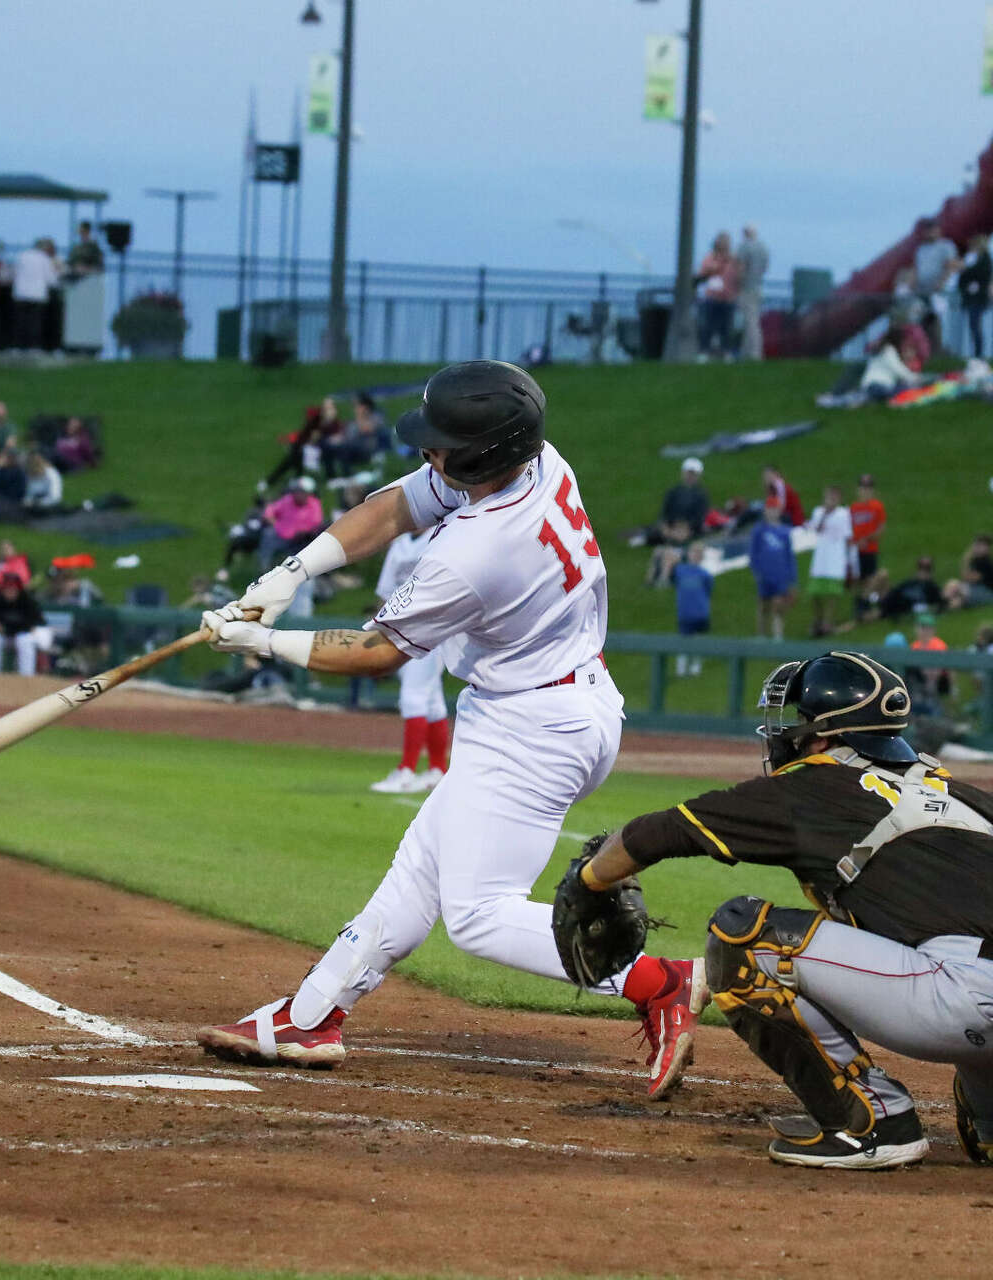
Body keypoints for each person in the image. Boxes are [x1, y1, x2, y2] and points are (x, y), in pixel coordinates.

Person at [194, 360, 705, 1099]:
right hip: (556, 703)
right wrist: (292, 572)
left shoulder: (476, 549)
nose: (427, 451)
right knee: (420, 866)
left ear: (481, 453)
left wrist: (262, 641)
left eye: (441, 444)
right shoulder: (536, 460)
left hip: (534, 726)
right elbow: (396, 506)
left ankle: (660, 983)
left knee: (479, 917)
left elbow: (376, 652)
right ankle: (311, 1015)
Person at [561, 652, 993, 1180]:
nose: (784, 731)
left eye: (796, 720)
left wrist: (590, 882)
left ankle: (870, 1124)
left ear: (824, 733)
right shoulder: (966, 793)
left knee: (742, 934)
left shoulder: (810, 787)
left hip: (962, 996)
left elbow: (661, 832)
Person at [369, 529, 452, 793]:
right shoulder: (400, 543)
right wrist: (379, 631)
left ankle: (406, 770)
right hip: (400, 628)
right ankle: (437, 769)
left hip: (431, 627)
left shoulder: (441, 536)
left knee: (413, 696)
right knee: (432, 701)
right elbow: (385, 592)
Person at [644, 457, 709, 587]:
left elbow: (698, 520)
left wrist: (684, 531)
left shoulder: (701, 495)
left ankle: (663, 580)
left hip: (688, 537)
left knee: (668, 555)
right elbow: (664, 515)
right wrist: (667, 529)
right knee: (658, 552)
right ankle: (649, 580)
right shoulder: (673, 492)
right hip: (673, 534)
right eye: (688, 473)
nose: (690, 476)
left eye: (693, 474)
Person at [805, 485, 853, 638]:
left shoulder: (843, 514)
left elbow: (847, 536)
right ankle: (818, 619)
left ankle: (828, 622)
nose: (831, 499)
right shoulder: (818, 512)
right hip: (821, 559)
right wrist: (825, 514)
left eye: (834, 496)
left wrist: (848, 560)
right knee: (814, 592)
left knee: (833, 593)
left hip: (835, 559)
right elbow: (816, 529)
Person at [0, 572, 53, 676]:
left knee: (24, 640)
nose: (10, 591)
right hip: (8, 635)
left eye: (13, 589)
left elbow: (30, 626)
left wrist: (6, 629)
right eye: (7, 588)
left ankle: (27, 675)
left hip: (28, 633)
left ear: (19, 589)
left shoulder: (28, 600)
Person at [749, 499, 797, 641]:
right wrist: (756, 570)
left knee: (778, 605)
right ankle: (761, 634)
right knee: (763, 605)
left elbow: (789, 555)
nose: (772, 512)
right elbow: (753, 552)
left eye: (775, 509)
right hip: (764, 574)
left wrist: (792, 578)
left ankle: (778, 634)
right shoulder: (759, 530)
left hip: (780, 575)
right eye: (770, 509)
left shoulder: (784, 532)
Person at [912, 217, 961, 353]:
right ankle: (925, 351)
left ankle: (939, 350)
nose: (930, 232)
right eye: (927, 229)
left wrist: (941, 283)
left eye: (932, 229)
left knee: (937, 320)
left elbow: (950, 266)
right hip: (922, 291)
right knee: (922, 320)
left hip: (939, 291)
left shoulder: (946, 246)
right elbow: (917, 269)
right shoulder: (921, 249)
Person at [259, 476, 326, 568]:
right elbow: (271, 510)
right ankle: (264, 568)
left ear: (308, 493)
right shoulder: (288, 500)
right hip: (280, 534)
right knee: (268, 534)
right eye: (297, 491)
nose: (298, 494)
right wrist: (271, 520)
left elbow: (316, 523)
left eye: (302, 492)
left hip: (299, 539)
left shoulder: (314, 504)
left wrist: (301, 532)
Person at [695, 232, 740, 360]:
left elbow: (739, 277)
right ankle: (704, 352)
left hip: (729, 298)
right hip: (712, 297)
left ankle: (727, 352)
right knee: (707, 327)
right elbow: (702, 274)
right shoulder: (710, 258)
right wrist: (714, 268)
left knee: (727, 328)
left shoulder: (734, 260)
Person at [671, 541, 712, 678]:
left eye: (699, 554)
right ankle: (681, 668)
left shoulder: (705, 574)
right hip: (685, 613)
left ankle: (695, 666)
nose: (695, 556)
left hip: (700, 613)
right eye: (693, 552)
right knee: (683, 641)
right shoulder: (680, 570)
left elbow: (708, 591)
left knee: (698, 641)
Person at [10, 238, 60, 350]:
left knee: (20, 322)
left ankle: (16, 346)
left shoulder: (22, 256)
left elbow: (13, 273)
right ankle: (33, 346)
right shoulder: (44, 259)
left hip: (21, 293)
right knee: (35, 323)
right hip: (37, 295)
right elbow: (51, 279)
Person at [956, 233, 993, 358]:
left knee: (975, 326)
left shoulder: (986, 260)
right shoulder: (976, 259)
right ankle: (977, 354)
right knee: (973, 326)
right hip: (972, 298)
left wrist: (965, 270)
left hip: (979, 299)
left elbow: (978, 273)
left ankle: (979, 354)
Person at [736, 224, 771, 361]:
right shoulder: (763, 248)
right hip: (758, 287)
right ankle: (746, 353)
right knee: (753, 321)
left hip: (746, 288)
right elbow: (766, 268)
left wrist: (738, 283)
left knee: (750, 323)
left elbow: (741, 267)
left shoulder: (744, 247)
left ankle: (754, 353)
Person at [944, 533, 993, 610]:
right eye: (976, 545)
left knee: (961, 594)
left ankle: (943, 607)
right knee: (952, 584)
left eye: (980, 546)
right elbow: (966, 579)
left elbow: (968, 578)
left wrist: (966, 560)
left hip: (991, 593)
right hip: (978, 587)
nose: (976, 547)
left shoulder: (985, 562)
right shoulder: (977, 559)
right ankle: (941, 603)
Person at [881, 556, 946, 620]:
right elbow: (889, 599)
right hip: (900, 612)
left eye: (927, 569)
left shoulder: (932, 587)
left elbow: (940, 605)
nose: (923, 573)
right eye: (921, 568)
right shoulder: (906, 584)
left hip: (912, 613)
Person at [848, 475, 886, 585]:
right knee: (855, 580)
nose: (865, 490)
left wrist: (866, 539)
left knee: (870, 580)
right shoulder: (853, 507)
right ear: (858, 489)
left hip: (870, 549)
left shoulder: (877, 506)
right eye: (863, 486)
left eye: (868, 487)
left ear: (872, 490)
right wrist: (855, 543)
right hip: (855, 550)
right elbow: (848, 529)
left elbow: (881, 528)